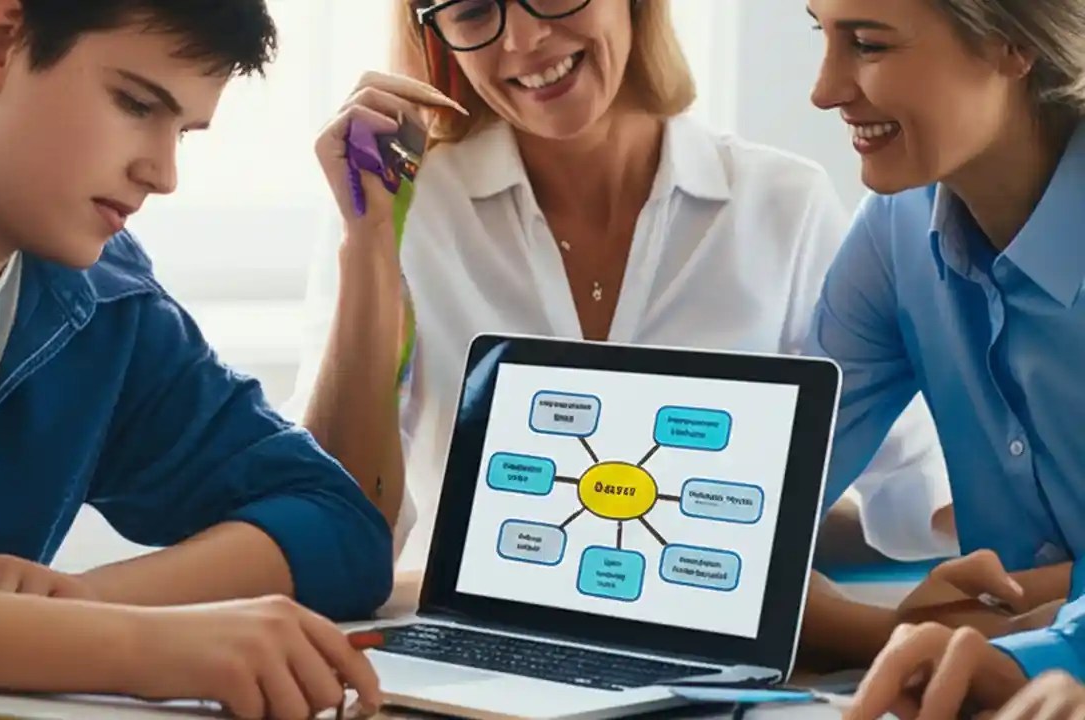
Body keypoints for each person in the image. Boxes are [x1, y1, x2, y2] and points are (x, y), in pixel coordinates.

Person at [292, 0, 958, 666]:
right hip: (475, 659)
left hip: (707, 666)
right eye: (471, 10)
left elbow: (917, 484)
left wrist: (1045, 590)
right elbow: (334, 539)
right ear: (437, 41)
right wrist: (368, 240)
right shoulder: (398, 215)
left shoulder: (781, 204)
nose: (523, 39)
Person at [0, 0, 390, 713]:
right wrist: (128, 643)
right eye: (136, 104)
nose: (164, 172)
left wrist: (81, 603)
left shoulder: (112, 305)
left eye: (185, 131)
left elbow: (341, 527)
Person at [801, 0, 1085, 712]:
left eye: (867, 44)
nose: (824, 89)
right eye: (822, 35)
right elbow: (752, 512)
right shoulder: (895, 233)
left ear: (1012, 46)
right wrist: (900, 632)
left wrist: (1048, 627)